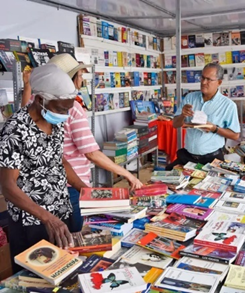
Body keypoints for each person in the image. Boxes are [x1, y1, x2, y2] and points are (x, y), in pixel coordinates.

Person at [21, 53, 143, 233]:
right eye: (79, 76)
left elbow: (58, 156)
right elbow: (91, 153)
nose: (81, 80)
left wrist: (26, 87)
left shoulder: (36, 104)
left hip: (48, 189)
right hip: (70, 189)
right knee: (73, 239)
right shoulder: (72, 108)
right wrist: (128, 174)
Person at [0, 64, 87, 272]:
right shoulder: (15, 130)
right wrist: (47, 217)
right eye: (61, 109)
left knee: (66, 271)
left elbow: (59, 161)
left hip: (60, 212)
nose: (65, 114)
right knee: (35, 277)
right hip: (32, 221)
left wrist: (85, 189)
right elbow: (8, 186)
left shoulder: (55, 123)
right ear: (40, 100)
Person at [166, 63, 240, 170]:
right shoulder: (190, 97)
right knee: (168, 173)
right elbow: (175, 124)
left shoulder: (228, 105)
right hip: (188, 157)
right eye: (202, 78)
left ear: (219, 82)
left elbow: (235, 135)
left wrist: (214, 128)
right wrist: (182, 115)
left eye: (209, 79)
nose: (203, 82)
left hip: (212, 158)